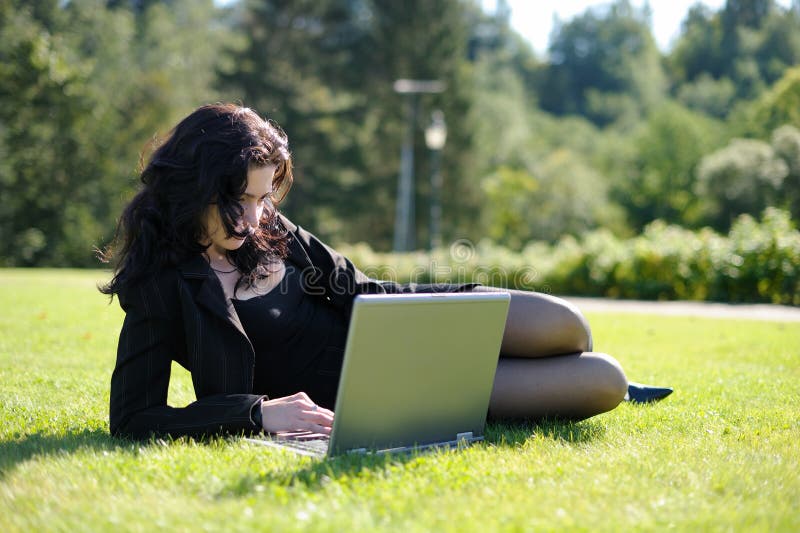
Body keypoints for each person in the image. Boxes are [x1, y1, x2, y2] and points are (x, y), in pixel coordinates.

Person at [101, 103, 665, 441]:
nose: (255, 219)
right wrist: (256, 413)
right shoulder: (158, 285)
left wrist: (442, 305)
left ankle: (537, 360)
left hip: (403, 325)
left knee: (568, 326)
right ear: (195, 187)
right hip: (389, 394)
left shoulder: (270, 228)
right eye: (239, 201)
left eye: (263, 198)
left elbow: (361, 290)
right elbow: (133, 417)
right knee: (605, 380)